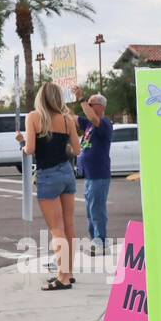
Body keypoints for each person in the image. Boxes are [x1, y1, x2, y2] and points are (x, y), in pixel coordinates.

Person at [19, 82, 81, 290]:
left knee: (56, 229)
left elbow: (30, 149)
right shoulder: (67, 119)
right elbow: (77, 150)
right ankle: (68, 272)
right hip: (67, 172)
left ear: (40, 97)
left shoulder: (33, 117)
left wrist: (22, 141)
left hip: (48, 175)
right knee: (68, 225)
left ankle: (62, 277)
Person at [76, 90, 114, 255]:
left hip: (99, 174)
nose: (88, 107)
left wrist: (81, 99)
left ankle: (101, 242)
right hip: (90, 175)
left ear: (100, 106)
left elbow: (92, 117)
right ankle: (95, 241)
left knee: (97, 210)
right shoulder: (89, 125)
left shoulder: (104, 123)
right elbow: (71, 118)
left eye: (91, 105)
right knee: (90, 210)